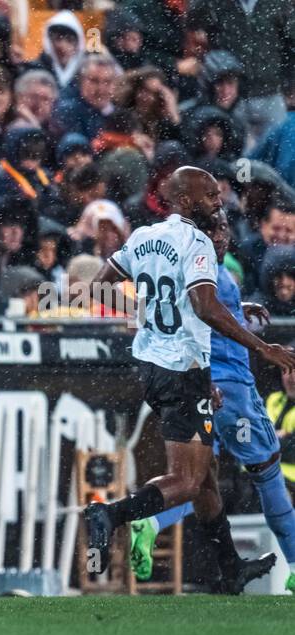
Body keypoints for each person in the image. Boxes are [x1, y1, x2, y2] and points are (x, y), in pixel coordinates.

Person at [84, 167, 295, 593]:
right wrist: (264, 348)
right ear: (184, 198)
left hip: (150, 366)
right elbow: (204, 306)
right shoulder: (196, 242)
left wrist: (149, 319)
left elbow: (98, 287)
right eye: (211, 195)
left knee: (206, 476)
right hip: (186, 371)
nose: (219, 202)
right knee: (189, 480)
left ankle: (231, 570)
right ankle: (111, 514)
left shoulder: (143, 236)